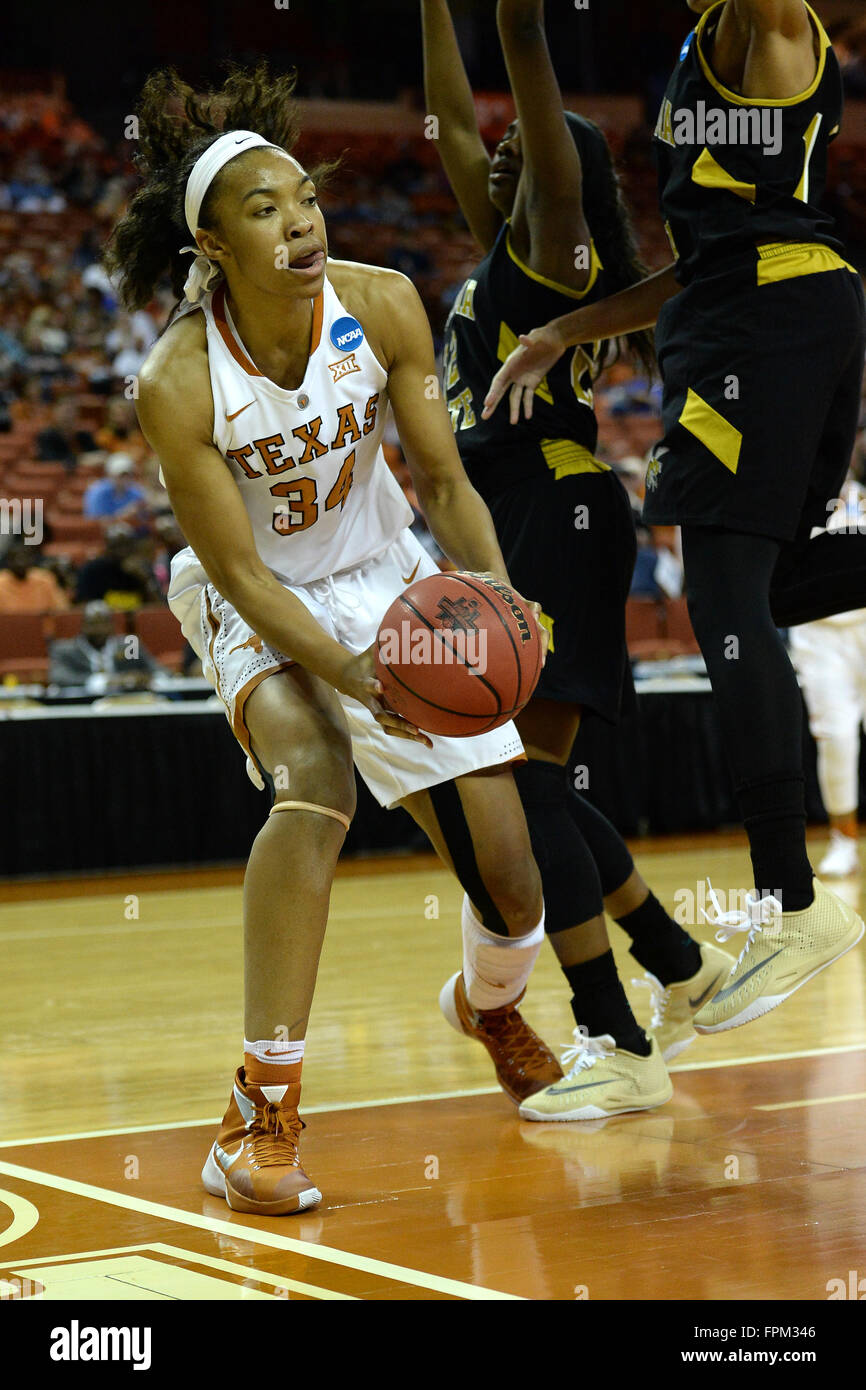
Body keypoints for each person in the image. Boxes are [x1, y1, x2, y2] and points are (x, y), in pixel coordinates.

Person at [107, 63, 563, 1217]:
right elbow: (246, 571)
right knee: (314, 779)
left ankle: (491, 1002)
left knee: (511, 884)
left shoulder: (385, 302)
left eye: (302, 195)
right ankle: (258, 1114)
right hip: (251, 597)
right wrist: (359, 680)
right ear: (210, 245)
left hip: (390, 576)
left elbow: (447, 485)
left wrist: (501, 603)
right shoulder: (177, 380)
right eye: (264, 209)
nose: (299, 218)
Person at [484, 0, 866, 1034]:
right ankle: (790, 894)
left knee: (724, 597)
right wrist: (559, 330)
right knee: (769, 585)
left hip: (765, 318)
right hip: (759, 307)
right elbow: (691, 264)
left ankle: (789, 897)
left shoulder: (764, 28)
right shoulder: (707, 48)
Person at [422, 0, 733, 1121]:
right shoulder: (503, 247)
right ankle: (677, 965)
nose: (499, 147)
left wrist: (515, 22)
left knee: (522, 786)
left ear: (557, 170)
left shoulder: (563, 249)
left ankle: (615, 1033)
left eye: (526, 144)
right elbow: (452, 125)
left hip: (560, 508)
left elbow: (526, 109)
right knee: (532, 785)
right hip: (517, 519)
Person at [789, 478, 866, 877]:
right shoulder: (792, 492)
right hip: (818, 631)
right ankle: (844, 839)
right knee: (837, 737)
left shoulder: (858, 491)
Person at [48, 601, 160, 692]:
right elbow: (59, 677)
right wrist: (102, 681)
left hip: (125, 702)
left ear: (112, 625)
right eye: (93, 624)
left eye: (103, 623)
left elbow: (159, 671)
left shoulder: (129, 646)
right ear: (83, 626)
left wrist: (141, 678)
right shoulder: (65, 650)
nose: (99, 629)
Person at [75, 523, 161, 607]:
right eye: (116, 546)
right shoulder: (92, 570)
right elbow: (82, 607)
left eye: (127, 545)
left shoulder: (143, 569)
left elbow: (158, 609)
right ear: (107, 548)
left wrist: (144, 580)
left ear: (134, 547)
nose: (122, 551)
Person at [0, 542, 69, 613]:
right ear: (8, 561)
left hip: (40, 623)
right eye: (15, 558)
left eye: (23, 558)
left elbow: (62, 610)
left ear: (32, 560)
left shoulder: (45, 579)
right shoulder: (1, 582)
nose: (20, 563)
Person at [82, 453, 149, 524]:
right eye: (121, 475)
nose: (125, 479)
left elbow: (144, 515)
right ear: (110, 475)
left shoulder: (136, 491)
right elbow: (97, 522)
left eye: (128, 475)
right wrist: (125, 514)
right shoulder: (97, 492)